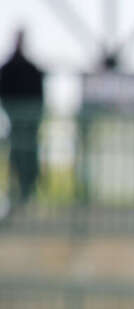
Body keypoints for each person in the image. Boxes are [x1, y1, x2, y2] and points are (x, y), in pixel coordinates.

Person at [0, 28, 45, 215]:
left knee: (26, 156)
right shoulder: (14, 68)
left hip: (27, 124)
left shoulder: (29, 69)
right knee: (19, 155)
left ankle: (26, 193)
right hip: (18, 123)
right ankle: (19, 193)